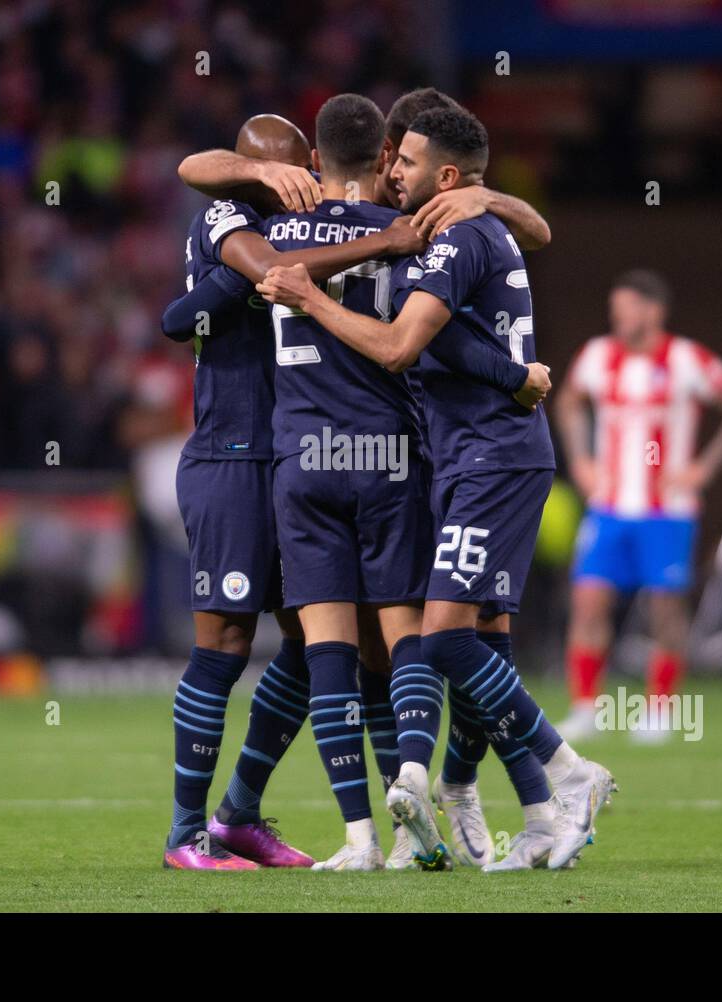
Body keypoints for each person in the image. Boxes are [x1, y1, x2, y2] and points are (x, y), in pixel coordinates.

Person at [258, 104, 614, 873]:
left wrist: (309, 299)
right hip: (471, 455)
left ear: (445, 177)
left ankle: (564, 772)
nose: (394, 173)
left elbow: (398, 345)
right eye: (392, 160)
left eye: (409, 164)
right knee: (482, 641)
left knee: (448, 636)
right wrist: (513, 372)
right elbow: (459, 335)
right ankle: (535, 811)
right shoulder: (462, 228)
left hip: (490, 458)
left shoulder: (455, 235)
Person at [160, 112, 426, 870]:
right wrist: (386, 239)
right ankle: (185, 836)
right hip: (232, 456)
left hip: (293, 459)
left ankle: (239, 812)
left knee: (319, 641)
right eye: (273, 171)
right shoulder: (231, 219)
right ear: (250, 171)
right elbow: (207, 189)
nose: (292, 184)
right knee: (226, 645)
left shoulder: (309, 223)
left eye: (297, 169)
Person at [553, 270, 722, 741]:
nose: (618, 318)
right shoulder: (598, 356)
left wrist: (703, 468)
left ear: (654, 310)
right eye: (615, 310)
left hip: (668, 509)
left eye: (627, 308)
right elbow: (567, 403)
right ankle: (587, 707)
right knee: (587, 602)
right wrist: (582, 460)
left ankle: (659, 709)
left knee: (666, 609)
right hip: (609, 506)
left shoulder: (686, 359)